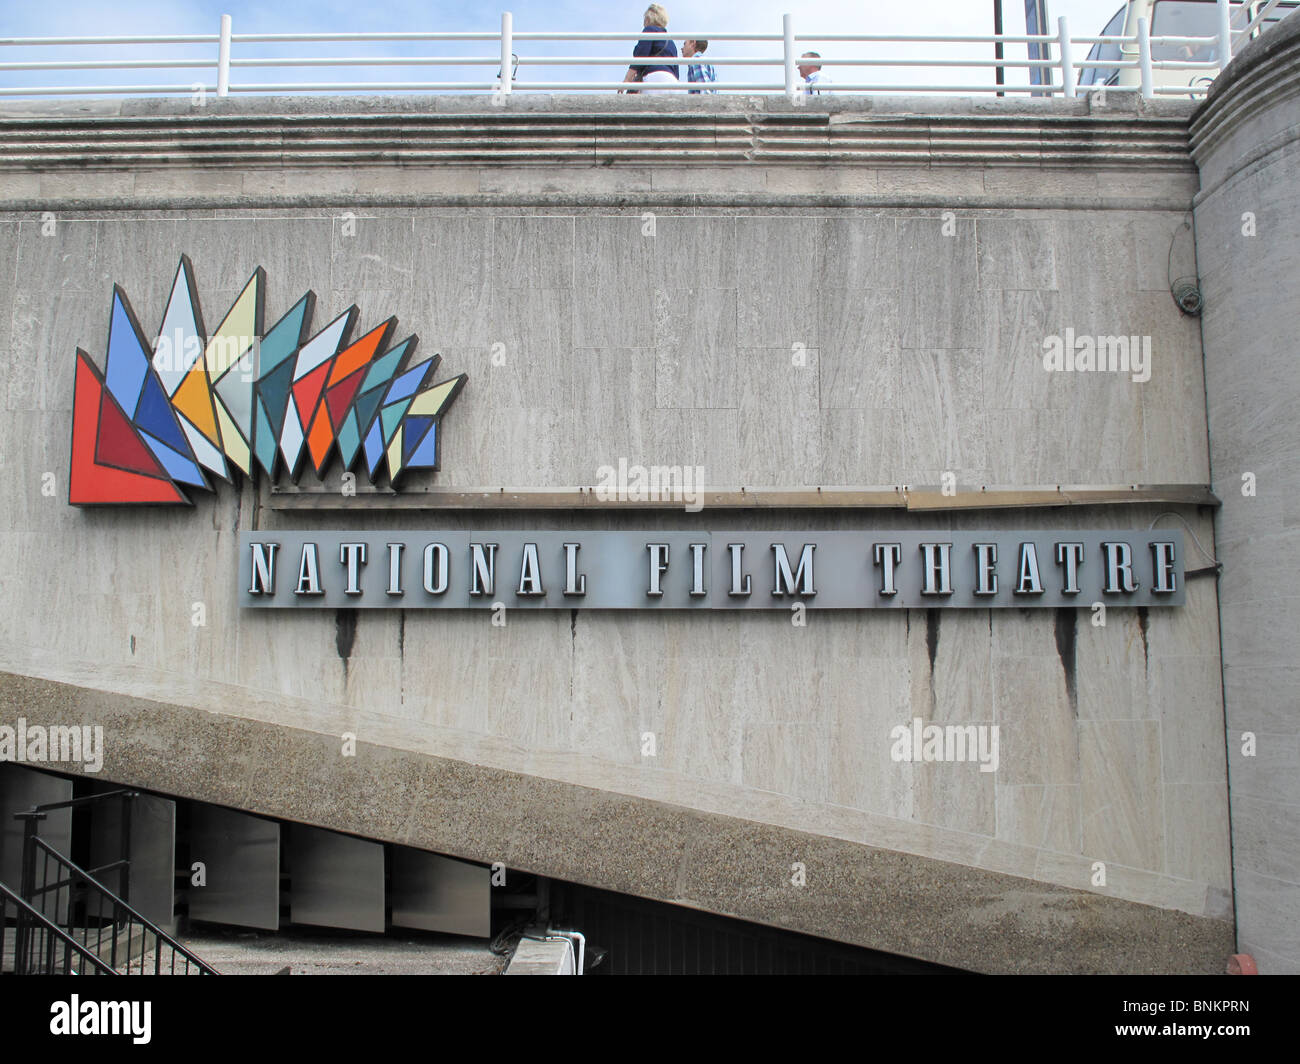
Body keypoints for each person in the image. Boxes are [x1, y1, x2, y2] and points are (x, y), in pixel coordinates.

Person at [621, 4, 679, 95]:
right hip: (672, 82)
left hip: (655, 78)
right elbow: (676, 70)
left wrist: (627, 80)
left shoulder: (650, 30)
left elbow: (640, 57)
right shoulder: (671, 42)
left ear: (648, 18)